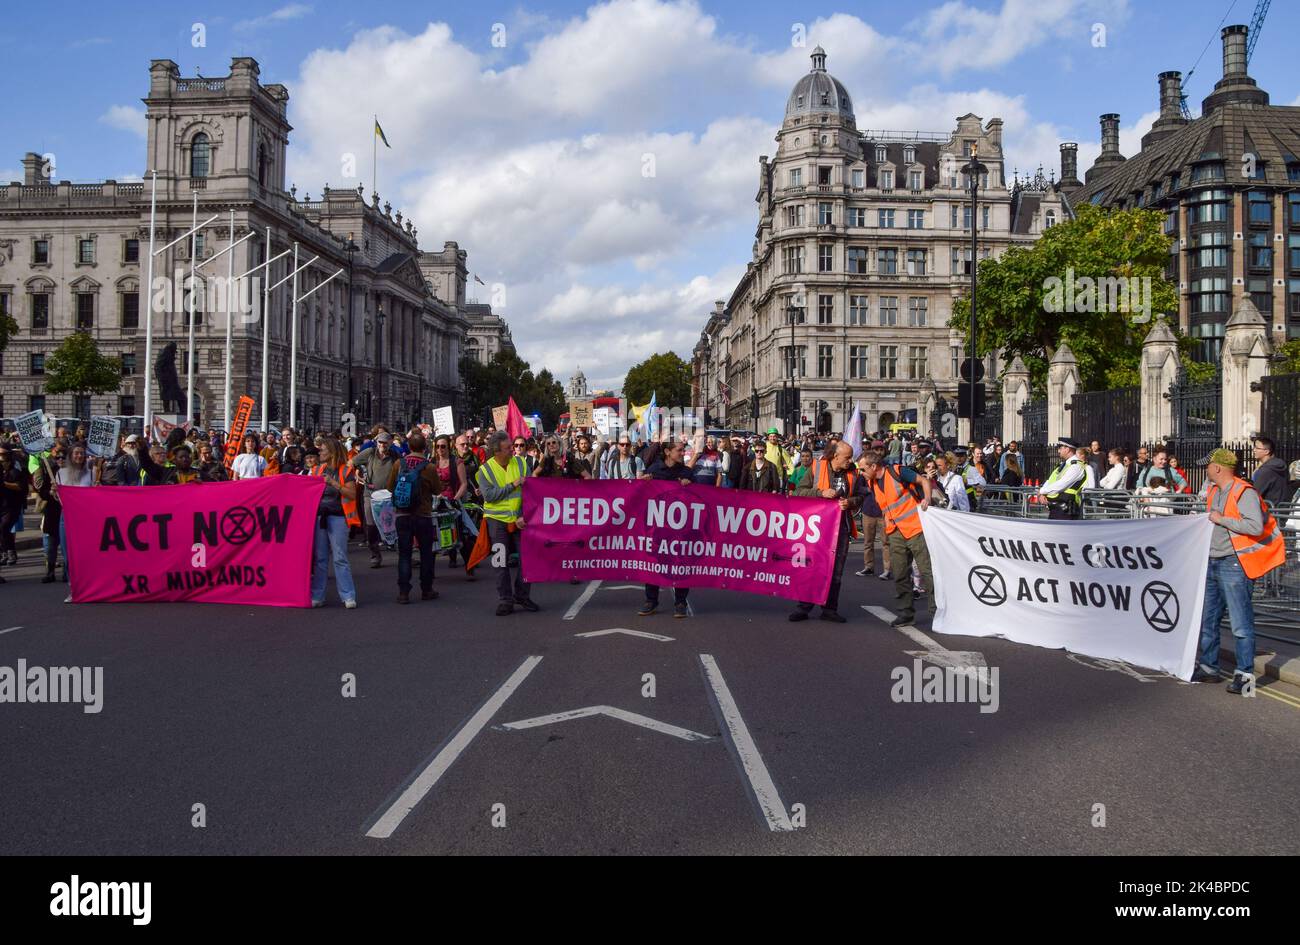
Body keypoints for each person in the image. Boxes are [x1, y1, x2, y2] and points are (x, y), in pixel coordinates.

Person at [1193, 448, 1285, 694]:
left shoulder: (1244, 491)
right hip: (1213, 560)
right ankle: (1209, 668)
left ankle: (1245, 678)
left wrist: (1221, 519)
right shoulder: (1214, 490)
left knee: (1240, 624)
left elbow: (1255, 526)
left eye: (1208, 466)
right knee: (1208, 619)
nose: (1206, 470)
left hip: (1235, 563)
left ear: (1218, 468)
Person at [790, 440, 865, 623]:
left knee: (836, 571)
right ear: (835, 456)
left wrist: (851, 502)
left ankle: (829, 609)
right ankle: (804, 607)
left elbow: (862, 496)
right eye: (847, 457)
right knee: (813, 567)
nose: (850, 461)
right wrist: (820, 493)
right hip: (818, 529)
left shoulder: (853, 473)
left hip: (842, 529)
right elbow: (799, 491)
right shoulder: (816, 467)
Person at [862, 448, 934, 627]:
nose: (861, 473)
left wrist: (927, 499)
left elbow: (923, 480)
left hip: (915, 529)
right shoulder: (872, 483)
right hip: (895, 532)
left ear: (873, 466)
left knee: (928, 573)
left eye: (863, 469)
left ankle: (937, 613)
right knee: (900, 574)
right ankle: (906, 614)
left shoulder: (898, 471)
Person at [476, 430, 538, 616]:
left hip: (519, 520)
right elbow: (490, 496)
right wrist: (512, 484)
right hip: (497, 522)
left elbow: (530, 491)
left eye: (512, 447)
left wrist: (521, 515)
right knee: (500, 562)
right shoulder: (484, 471)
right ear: (497, 452)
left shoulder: (520, 463)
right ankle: (505, 600)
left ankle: (522, 594)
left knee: (528, 559)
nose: (513, 450)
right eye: (508, 448)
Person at [638, 439, 693, 618]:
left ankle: (680, 602)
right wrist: (642, 482)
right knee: (654, 562)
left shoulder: (686, 472)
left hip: (680, 528)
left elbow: (700, 496)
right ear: (668, 452)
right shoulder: (654, 470)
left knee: (681, 563)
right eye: (679, 450)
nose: (683, 453)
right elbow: (640, 494)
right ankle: (651, 600)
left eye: (683, 450)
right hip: (658, 527)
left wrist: (690, 485)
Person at [393, 431, 441, 605]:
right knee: (426, 553)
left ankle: (403, 591)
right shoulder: (429, 467)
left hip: (402, 514)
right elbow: (437, 490)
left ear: (409, 446)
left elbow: (391, 486)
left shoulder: (399, 463)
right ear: (424, 447)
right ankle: (426, 589)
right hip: (423, 514)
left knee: (404, 554)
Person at [310, 437, 358, 609]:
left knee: (340, 558)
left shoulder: (346, 471)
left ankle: (348, 595)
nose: (320, 452)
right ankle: (317, 595)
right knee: (320, 558)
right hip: (319, 517)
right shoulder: (315, 470)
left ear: (332, 452)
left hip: (338, 517)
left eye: (322, 450)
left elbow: (352, 494)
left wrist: (333, 483)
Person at [350, 432, 402, 568]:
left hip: (390, 495)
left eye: (385, 442)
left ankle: (401, 554)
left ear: (390, 443)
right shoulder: (370, 452)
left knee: (393, 525)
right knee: (371, 525)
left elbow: (403, 471)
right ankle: (375, 555)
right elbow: (351, 462)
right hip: (370, 494)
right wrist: (357, 472)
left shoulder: (395, 455)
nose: (382, 445)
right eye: (380, 442)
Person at [32, 445, 65, 583]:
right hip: (52, 510)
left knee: (65, 544)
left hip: (66, 511)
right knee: (51, 543)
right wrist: (50, 492)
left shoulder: (70, 472)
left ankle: (66, 571)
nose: (60, 459)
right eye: (58, 456)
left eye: (63, 457)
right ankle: (50, 571)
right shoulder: (47, 469)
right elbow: (40, 490)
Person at [1039, 437, 1085, 519]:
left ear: (1067, 449)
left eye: (1060, 448)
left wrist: (1042, 491)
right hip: (1055, 509)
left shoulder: (1076, 466)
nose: (1058, 451)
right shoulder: (1063, 465)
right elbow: (1050, 480)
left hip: (1066, 510)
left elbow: (1062, 484)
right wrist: (1043, 493)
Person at [855, 451, 885, 576]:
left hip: (882, 512)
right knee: (868, 541)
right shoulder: (863, 474)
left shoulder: (883, 475)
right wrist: (868, 489)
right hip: (868, 511)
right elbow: (857, 488)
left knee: (886, 542)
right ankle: (869, 567)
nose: (862, 471)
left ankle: (887, 569)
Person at [1251, 436, 1290, 507]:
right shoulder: (1280, 465)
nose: (1254, 450)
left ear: (1266, 451)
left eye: (1257, 448)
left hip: (1268, 511)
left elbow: (1254, 494)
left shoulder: (1266, 470)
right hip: (1281, 510)